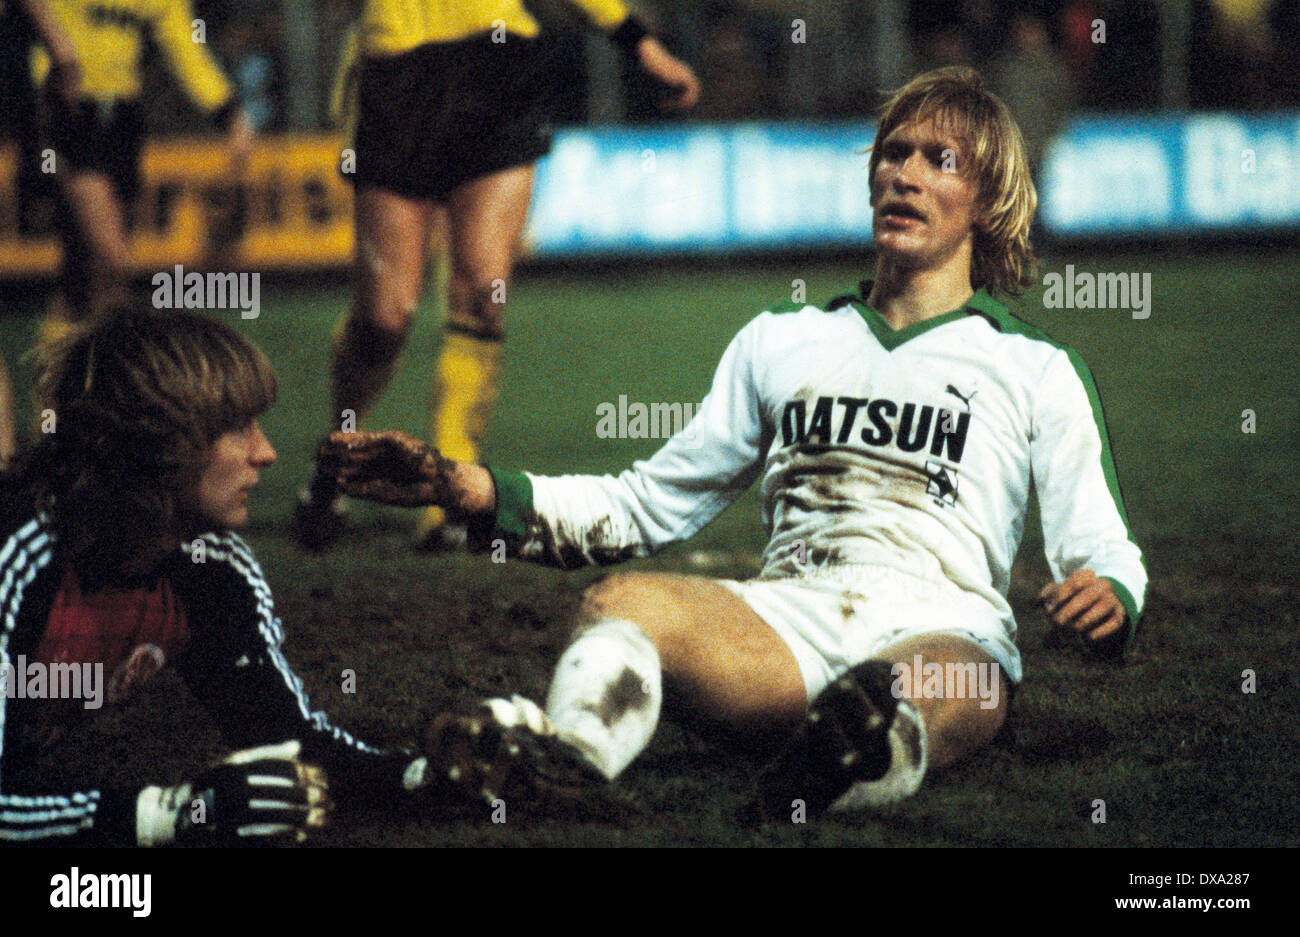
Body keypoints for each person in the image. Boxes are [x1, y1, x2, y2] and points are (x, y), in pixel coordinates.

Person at [321, 66, 1148, 820]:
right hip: (785, 624)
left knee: (926, 684)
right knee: (624, 604)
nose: (905, 173)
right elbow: (648, 503)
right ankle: (567, 762)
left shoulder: (1036, 367)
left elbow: (1100, 544)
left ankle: (845, 761)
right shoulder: (780, 340)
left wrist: (1110, 594)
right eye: (895, 154)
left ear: (990, 200)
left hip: (946, 631)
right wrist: (464, 486)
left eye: (942, 160)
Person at [0, 309, 449, 845]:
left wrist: (422, 776)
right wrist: (167, 815)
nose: (267, 453)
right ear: (161, 443)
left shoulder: (208, 565)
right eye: (238, 430)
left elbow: (289, 739)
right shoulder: (18, 557)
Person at [291, 0, 700, 552]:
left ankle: (450, 493)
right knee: (385, 317)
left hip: (499, 65)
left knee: (484, 292)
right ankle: (338, 458)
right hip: (399, 71)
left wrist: (636, 40)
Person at [28, 0, 254, 340]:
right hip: (68, 108)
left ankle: (59, 375)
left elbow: (184, 47)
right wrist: (52, 65)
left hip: (123, 117)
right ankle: (115, 368)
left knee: (80, 269)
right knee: (113, 260)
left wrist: (229, 112)